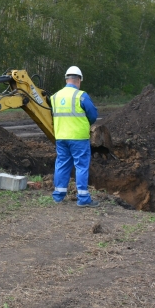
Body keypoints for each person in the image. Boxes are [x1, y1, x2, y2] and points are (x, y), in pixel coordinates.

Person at [50, 66, 99, 207]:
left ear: (66, 79)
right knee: (81, 166)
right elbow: (93, 115)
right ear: (79, 80)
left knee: (62, 164)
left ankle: (58, 196)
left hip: (61, 136)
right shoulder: (81, 96)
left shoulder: (55, 97)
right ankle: (83, 199)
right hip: (78, 137)